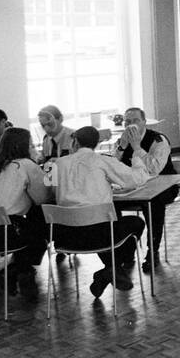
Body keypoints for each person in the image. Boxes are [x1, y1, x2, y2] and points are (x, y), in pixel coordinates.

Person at [49, 126, 149, 297]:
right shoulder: (102, 161)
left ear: (75, 142)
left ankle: (110, 270)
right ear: (96, 144)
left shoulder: (56, 164)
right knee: (136, 222)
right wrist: (137, 152)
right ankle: (111, 270)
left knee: (105, 222)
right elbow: (138, 179)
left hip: (65, 236)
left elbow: (48, 191)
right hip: (100, 235)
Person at [0, 127, 49, 301]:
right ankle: (18, 270)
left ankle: (20, 271)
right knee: (41, 223)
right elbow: (42, 198)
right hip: (3, 234)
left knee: (31, 226)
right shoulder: (25, 165)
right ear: (25, 146)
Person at [110, 107, 178, 272]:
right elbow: (110, 166)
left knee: (153, 203)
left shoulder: (158, 140)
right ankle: (124, 250)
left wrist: (137, 148)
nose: (130, 125)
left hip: (163, 186)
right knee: (110, 203)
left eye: (135, 121)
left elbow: (154, 169)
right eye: (127, 121)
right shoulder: (121, 141)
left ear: (144, 122)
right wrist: (123, 147)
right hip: (133, 186)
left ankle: (152, 251)